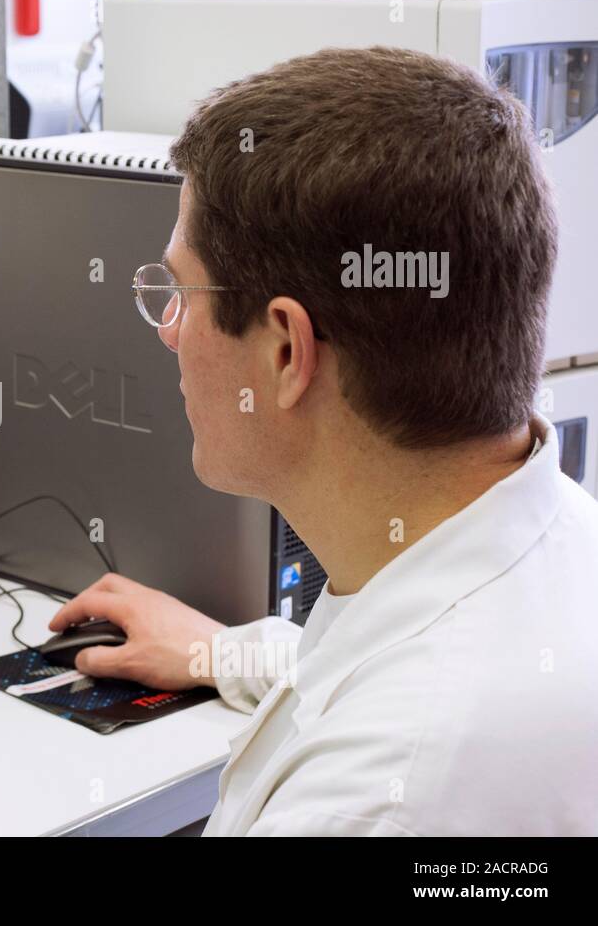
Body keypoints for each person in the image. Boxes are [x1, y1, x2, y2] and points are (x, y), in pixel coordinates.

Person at [48, 46, 598, 835]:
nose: (170, 331)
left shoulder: (376, 796)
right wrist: (225, 653)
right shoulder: (554, 532)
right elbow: (388, 649)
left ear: (284, 353)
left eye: (181, 292)